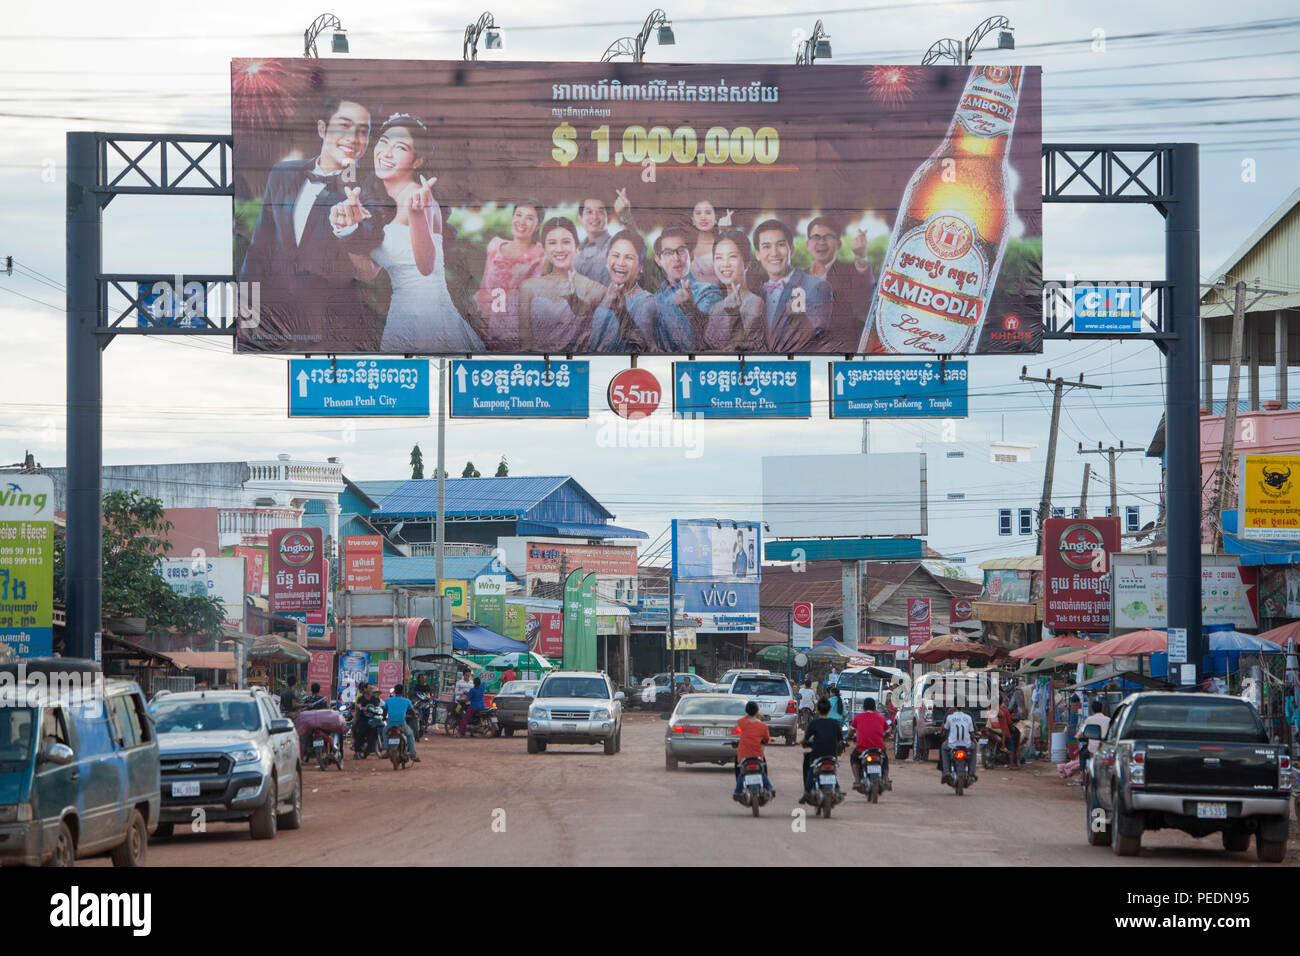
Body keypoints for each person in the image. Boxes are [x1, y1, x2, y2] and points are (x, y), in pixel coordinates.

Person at [240, 93, 386, 351]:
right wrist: (246, 311)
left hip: (338, 331)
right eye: (344, 126)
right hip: (278, 326)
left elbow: (370, 235)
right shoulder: (283, 174)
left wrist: (348, 227)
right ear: (322, 128)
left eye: (363, 131)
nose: (353, 139)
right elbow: (258, 250)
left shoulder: (371, 186)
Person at [333, 112, 484, 353]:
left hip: (431, 318)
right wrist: (347, 231)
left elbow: (425, 268)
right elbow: (369, 273)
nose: (386, 153)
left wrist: (416, 217)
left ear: (417, 161)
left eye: (400, 148)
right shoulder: (377, 200)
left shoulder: (421, 199)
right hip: (400, 316)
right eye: (383, 143)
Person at [518, 217, 605, 351]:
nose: (559, 249)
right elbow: (525, 346)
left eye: (565, 242)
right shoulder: (528, 287)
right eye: (552, 243)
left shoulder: (596, 290)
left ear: (576, 246)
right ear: (545, 249)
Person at [473, 198, 546, 349]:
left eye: (529, 218)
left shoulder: (541, 254)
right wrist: (482, 329)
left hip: (523, 336)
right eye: (518, 215)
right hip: (490, 332)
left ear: (538, 225)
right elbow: (485, 291)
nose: (522, 221)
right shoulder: (495, 246)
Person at [753, 219, 832, 352]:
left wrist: (799, 318)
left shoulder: (817, 287)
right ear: (758, 255)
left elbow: (819, 340)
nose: (774, 253)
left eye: (781, 245)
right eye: (766, 246)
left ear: (792, 249)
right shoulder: (757, 294)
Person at [804, 217, 876, 353]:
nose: (821, 242)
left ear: (839, 244)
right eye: (816, 237)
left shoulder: (849, 271)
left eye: (827, 237)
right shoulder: (798, 277)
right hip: (805, 352)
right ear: (808, 244)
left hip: (842, 351)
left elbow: (867, 293)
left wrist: (861, 256)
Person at [651, 226, 723, 351]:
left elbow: (711, 341)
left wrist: (690, 311)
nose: (676, 258)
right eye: (668, 253)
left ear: (692, 256)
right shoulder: (654, 299)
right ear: (658, 260)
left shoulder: (709, 292)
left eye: (681, 250)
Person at [589, 230, 658, 352]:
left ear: (640, 266)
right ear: (607, 259)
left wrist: (621, 314)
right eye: (615, 256)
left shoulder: (647, 303)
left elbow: (644, 350)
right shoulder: (600, 298)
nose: (620, 263)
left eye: (629, 258)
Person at [702, 230, 765, 351]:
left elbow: (743, 350)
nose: (725, 264)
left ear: (747, 263)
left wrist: (735, 315)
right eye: (719, 258)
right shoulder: (715, 308)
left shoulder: (756, 304)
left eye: (732, 257)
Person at [574, 190, 637, 285]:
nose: (594, 216)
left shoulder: (615, 245)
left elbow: (636, 245)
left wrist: (626, 216)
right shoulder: (577, 251)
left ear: (609, 218)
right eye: (589, 212)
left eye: (600, 211)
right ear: (580, 219)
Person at [799, 697, 844, 801]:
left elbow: (805, 739)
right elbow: (840, 741)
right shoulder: (835, 723)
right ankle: (837, 789)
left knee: (811, 769)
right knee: (832, 773)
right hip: (831, 755)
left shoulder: (814, 723)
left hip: (817, 755)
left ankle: (806, 792)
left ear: (818, 710)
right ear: (829, 709)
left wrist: (801, 743)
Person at [732, 700, 774, 800]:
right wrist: (759, 717)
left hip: (743, 755)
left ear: (746, 711)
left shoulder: (741, 722)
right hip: (757, 755)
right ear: (757, 711)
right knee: (762, 771)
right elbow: (766, 739)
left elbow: (740, 728)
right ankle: (769, 787)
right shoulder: (763, 726)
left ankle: (737, 791)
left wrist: (754, 715)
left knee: (741, 773)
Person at [686, 199, 734, 286]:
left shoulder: (722, 242)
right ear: (692, 220)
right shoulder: (686, 245)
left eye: (708, 213)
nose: (703, 217)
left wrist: (724, 233)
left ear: (716, 218)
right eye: (698, 213)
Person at [850, 697, 892, 789]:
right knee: (884, 759)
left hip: (862, 748)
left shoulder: (858, 717)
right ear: (874, 708)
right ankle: (886, 777)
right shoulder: (881, 717)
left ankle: (857, 781)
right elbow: (888, 732)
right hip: (879, 748)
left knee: (854, 758)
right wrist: (883, 737)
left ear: (863, 707)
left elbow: (851, 731)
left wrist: (848, 738)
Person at [940, 705, 976, 783]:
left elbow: (944, 730)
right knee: (974, 748)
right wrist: (974, 738)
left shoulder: (950, 717)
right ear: (963, 706)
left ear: (954, 706)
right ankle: (972, 771)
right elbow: (972, 733)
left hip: (952, 745)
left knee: (943, 747)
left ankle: (946, 771)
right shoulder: (968, 717)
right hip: (966, 744)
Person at [384, 684, 419, 761]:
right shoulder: (406, 701)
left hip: (390, 724)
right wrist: (415, 716)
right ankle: (413, 754)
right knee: (410, 735)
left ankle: (386, 750)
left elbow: (384, 711)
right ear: (403, 692)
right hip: (401, 724)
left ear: (394, 692)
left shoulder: (388, 700)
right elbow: (412, 712)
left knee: (384, 732)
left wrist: (384, 718)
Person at [1076, 700, 1110, 769]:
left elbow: (1081, 732)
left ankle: (1081, 774)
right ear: (1102, 709)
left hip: (1092, 749)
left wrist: (1077, 736)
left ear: (1092, 710)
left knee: (1082, 755)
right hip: (1106, 748)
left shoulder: (1089, 719)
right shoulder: (1108, 719)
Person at [353, 683, 383, 756]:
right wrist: (362, 708)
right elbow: (359, 705)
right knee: (360, 733)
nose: (371, 690)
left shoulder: (374, 699)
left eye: (372, 688)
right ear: (365, 689)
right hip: (364, 719)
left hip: (373, 720)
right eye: (369, 688)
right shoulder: (361, 698)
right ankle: (356, 752)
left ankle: (370, 748)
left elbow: (379, 705)